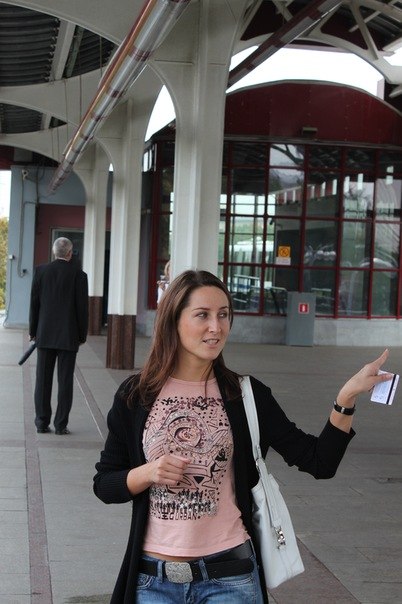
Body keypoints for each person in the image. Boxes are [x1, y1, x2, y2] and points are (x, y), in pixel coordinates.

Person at [93, 270, 393, 604]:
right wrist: (148, 473)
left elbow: (319, 461)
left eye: (223, 315)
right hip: (153, 583)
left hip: (229, 580)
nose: (216, 327)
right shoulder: (136, 396)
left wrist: (346, 397)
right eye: (203, 315)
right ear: (173, 321)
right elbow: (104, 484)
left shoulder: (246, 395)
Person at [29, 237, 88, 435]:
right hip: (68, 337)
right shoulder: (79, 275)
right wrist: (81, 335)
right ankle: (61, 425)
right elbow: (82, 309)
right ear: (70, 253)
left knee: (42, 381)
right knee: (65, 382)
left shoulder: (41, 271)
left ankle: (41, 423)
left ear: (54, 252)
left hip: (44, 335)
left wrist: (33, 331)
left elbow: (34, 304)